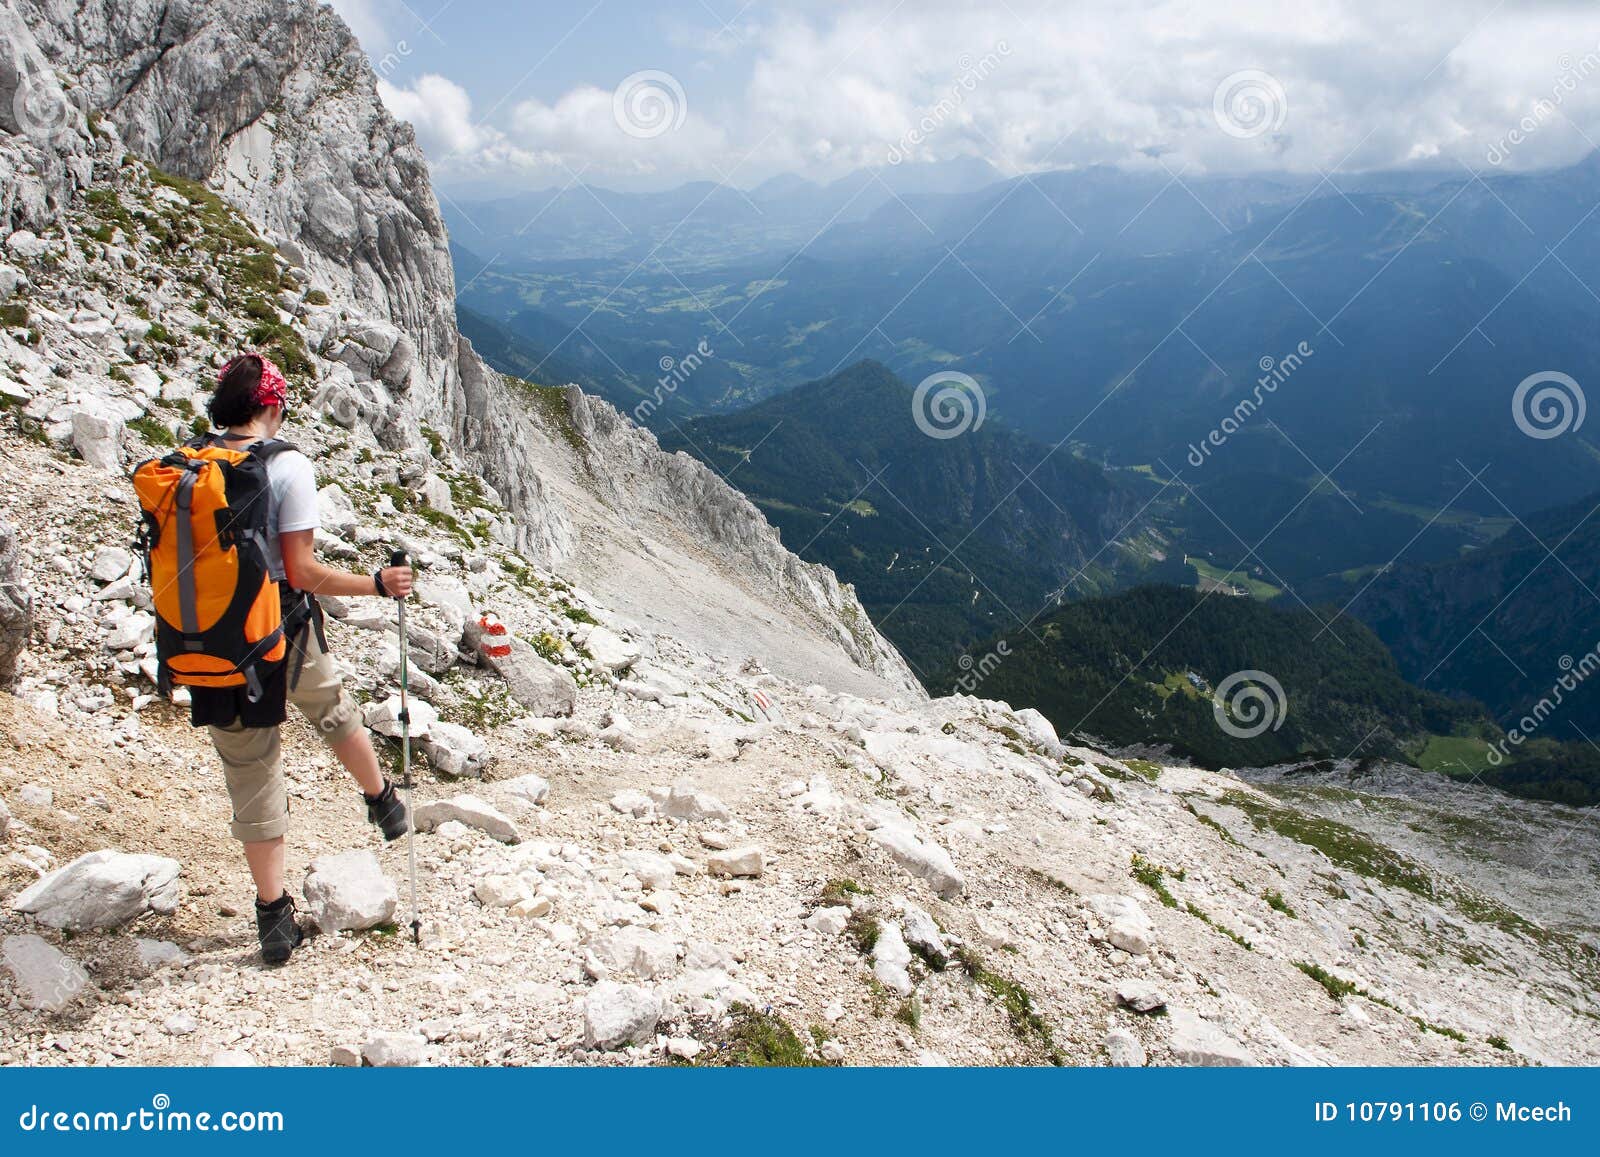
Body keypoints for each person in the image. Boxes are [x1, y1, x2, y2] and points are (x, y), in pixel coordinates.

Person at [195, 352, 415, 965]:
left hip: (209, 641)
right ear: (272, 406)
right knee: (332, 710)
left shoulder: (192, 465)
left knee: (251, 768)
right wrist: (377, 583)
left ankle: (273, 919)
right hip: (278, 630)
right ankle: (383, 801)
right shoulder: (286, 465)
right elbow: (303, 571)